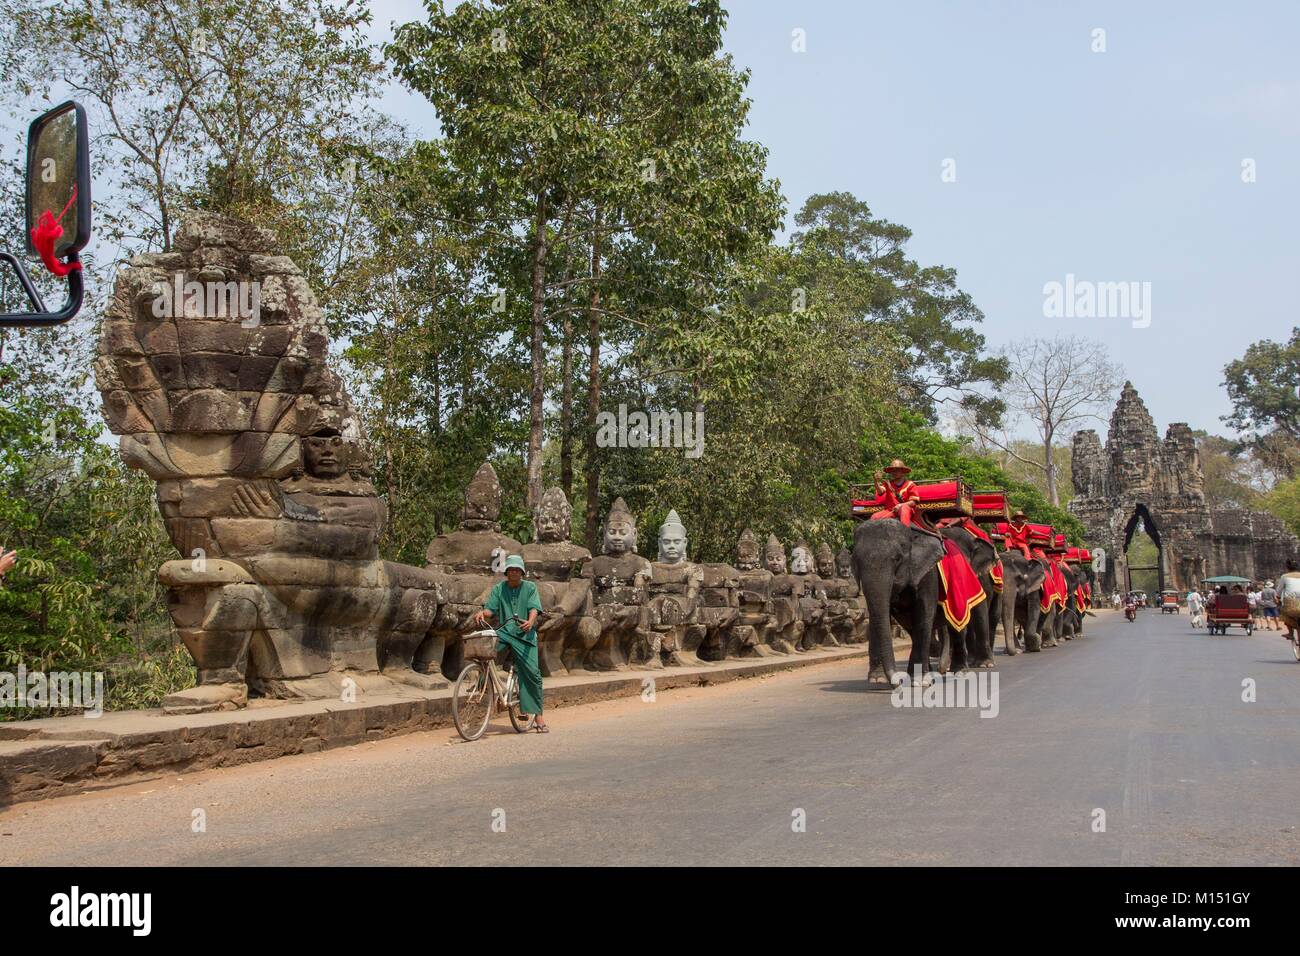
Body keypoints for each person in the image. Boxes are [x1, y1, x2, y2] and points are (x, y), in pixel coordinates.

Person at [472, 554, 548, 733]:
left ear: (521, 572)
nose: (513, 573)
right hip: (505, 632)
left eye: (517, 570)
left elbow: (534, 608)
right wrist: (483, 613)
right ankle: (482, 684)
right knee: (484, 650)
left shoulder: (529, 587)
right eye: (511, 570)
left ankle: (538, 716)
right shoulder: (499, 589)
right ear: (506, 572)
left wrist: (530, 621)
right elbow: (491, 609)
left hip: (525, 636)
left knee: (532, 673)